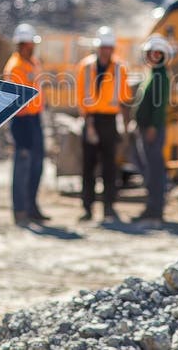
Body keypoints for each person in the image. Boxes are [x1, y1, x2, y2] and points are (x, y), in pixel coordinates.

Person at [76, 26, 133, 223]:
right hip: (91, 120)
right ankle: (88, 208)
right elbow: (81, 97)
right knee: (88, 167)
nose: (106, 51)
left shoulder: (119, 68)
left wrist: (126, 123)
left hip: (109, 121)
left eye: (109, 47)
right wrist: (87, 122)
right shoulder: (85, 67)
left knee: (109, 166)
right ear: (98, 48)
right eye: (103, 47)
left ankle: (109, 207)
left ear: (113, 48)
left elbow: (125, 97)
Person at [2, 23, 48, 226]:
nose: (33, 47)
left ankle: (32, 207)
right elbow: (16, 103)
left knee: (37, 165)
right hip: (21, 121)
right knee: (22, 166)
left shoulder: (33, 62)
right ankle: (20, 210)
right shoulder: (15, 67)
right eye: (30, 43)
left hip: (35, 119)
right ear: (22, 44)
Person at [130, 34, 173, 227]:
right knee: (148, 167)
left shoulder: (160, 76)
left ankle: (155, 208)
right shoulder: (153, 74)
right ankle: (153, 205)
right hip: (146, 128)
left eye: (157, 53)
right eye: (151, 53)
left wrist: (153, 127)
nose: (153, 56)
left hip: (151, 130)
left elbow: (158, 105)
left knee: (154, 170)